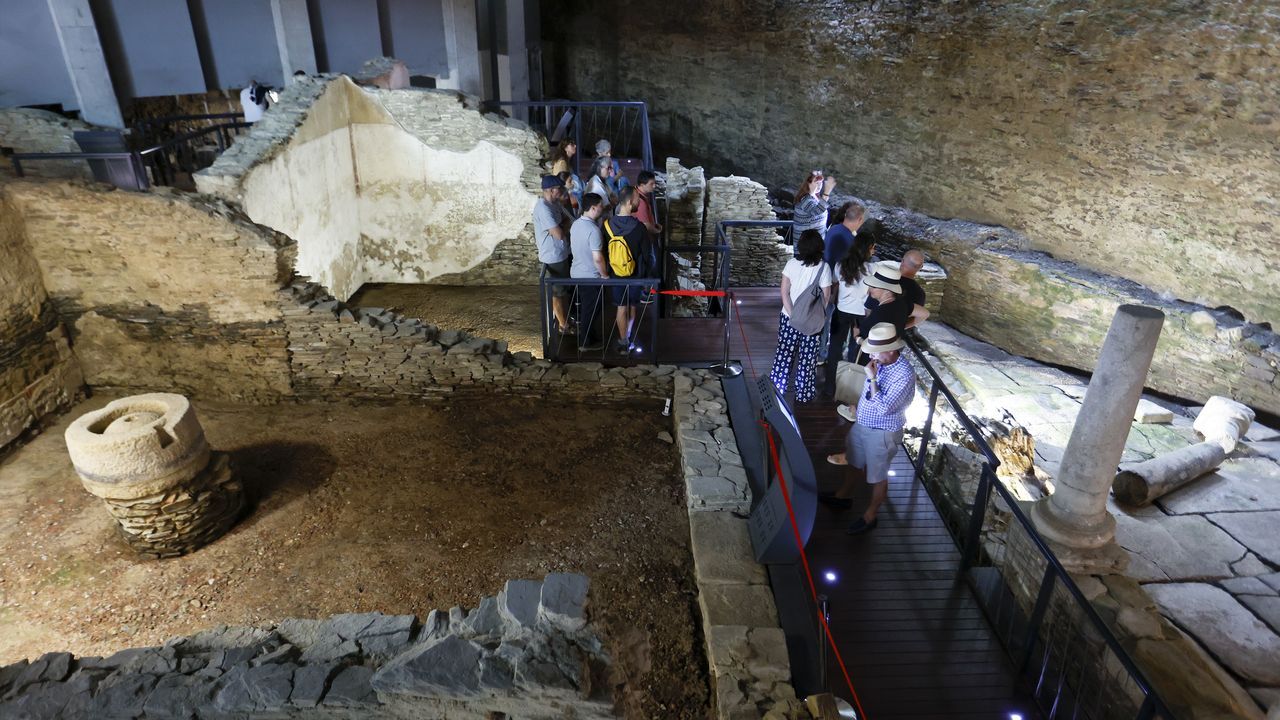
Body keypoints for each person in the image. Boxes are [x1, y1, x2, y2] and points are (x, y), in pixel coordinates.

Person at [818, 323, 917, 535]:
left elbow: (884, 408)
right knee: (854, 461)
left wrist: (871, 378)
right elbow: (870, 396)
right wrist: (859, 406)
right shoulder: (879, 361)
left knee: (877, 476)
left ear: (892, 349)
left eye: (875, 350)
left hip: (882, 432)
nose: (871, 354)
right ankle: (843, 497)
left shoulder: (904, 374)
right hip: (862, 423)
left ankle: (870, 516)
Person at [831, 260, 929, 425]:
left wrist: (856, 335)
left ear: (885, 290)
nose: (869, 290)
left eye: (873, 286)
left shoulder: (878, 314)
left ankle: (855, 410)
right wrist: (903, 326)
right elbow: (924, 314)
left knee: (865, 379)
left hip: (874, 355)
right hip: (890, 353)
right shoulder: (902, 304)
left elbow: (863, 340)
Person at [768, 229, 833, 403]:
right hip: (812, 322)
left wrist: (792, 315)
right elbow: (826, 297)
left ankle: (777, 390)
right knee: (808, 358)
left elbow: (784, 292)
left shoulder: (791, 264)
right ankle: (803, 394)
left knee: (784, 354)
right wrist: (814, 315)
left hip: (789, 318)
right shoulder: (824, 267)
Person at [822, 230, 877, 397]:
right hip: (862, 315)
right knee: (858, 350)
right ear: (869, 248)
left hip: (842, 311)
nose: (874, 250)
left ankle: (830, 386)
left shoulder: (840, 265)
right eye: (873, 247)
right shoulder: (872, 269)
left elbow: (834, 285)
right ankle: (853, 387)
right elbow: (873, 293)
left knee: (835, 349)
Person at [817, 201, 867, 370]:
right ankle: (824, 354)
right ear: (859, 220)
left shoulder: (834, 229)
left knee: (825, 319)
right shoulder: (848, 239)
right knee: (829, 321)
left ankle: (822, 354)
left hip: (825, 279)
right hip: (832, 285)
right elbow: (845, 268)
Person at [604, 187, 654, 352]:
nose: (639, 202)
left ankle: (623, 340)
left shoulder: (607, 226)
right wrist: (649, 279)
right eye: (637, 199)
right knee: (632, 305)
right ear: (630, 202)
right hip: (635, 275)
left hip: (615, 273)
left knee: (621, 307)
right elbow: (647, 256)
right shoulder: (639, 228)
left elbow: (604, 251)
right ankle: (629, 335)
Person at [532, 175, 575, 334]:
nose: (562, 191)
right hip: (553, 256)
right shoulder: (543, 208)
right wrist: (564, 225)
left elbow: (567, 220)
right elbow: (558, 234)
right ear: (550, 190)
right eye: (559, 188)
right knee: (557, 292)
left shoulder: (554, 203)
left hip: (561, 253)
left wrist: (563, 225)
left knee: (563, 289)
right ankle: (563, 326)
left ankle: (565, 318)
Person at [570, 193, 609, 351]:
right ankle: (585, 343)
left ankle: (591, 337)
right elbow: (598, 258)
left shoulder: (576, 224)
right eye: (600, 206)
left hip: (576, 272)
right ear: (593, 208)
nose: (602, 208)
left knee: (588, 307)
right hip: (590, 276)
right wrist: (605, 275)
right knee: (590, 309)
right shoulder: (593, 230)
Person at [792, 169, 837, 238]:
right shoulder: (804, 199)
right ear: (808, 183)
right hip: (806, 245)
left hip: (816, 242)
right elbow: (816, 211)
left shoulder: (815, 197)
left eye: (821, 183)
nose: (819, 186)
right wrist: (826, 193)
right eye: (816, 183)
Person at [633, 170, 662, 240]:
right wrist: (658, 231)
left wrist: (654, 225)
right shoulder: (640, 202)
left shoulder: (636, 192)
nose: (654, 186)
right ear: (642, 185)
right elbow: (645, 225)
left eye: (654, 183)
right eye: (651, 184)